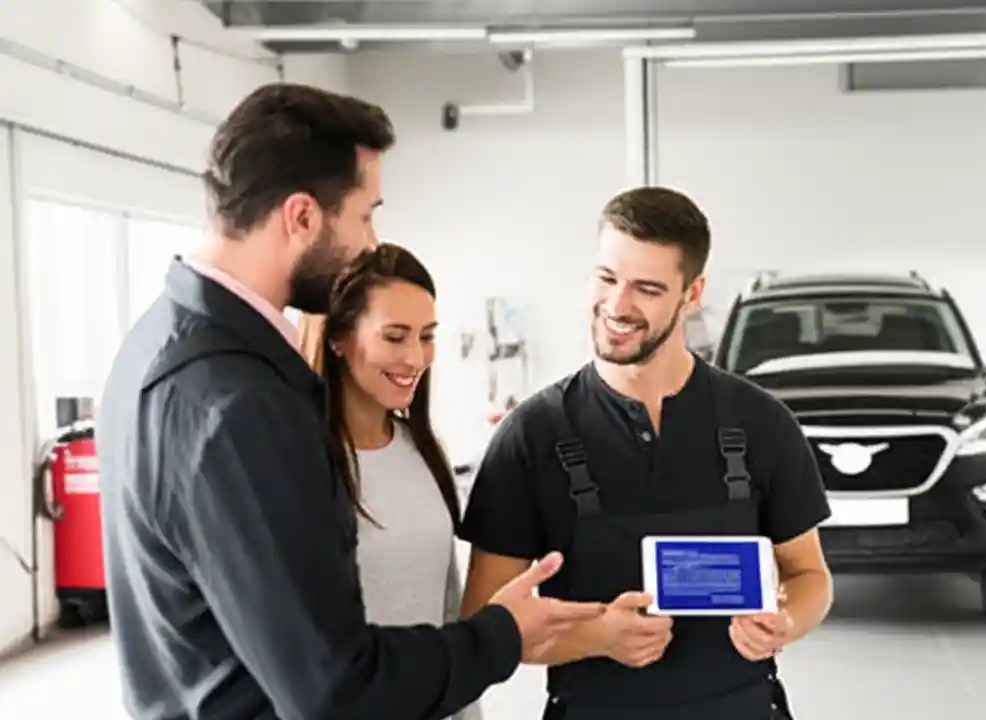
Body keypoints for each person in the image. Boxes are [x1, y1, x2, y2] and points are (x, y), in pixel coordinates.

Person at [96, 83, 603, 720]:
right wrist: (502, 634)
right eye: (365, 215)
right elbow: (334, 689)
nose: (370, 243)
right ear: (302, 217)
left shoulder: (154, 344)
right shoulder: (238, 402)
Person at [458, 186, 835, 719]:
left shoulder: (761, 423)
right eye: (607, 278)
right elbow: (483, 622)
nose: (617, 305)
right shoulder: (531, 436)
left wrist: (785, 621)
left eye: (647, 288)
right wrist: (595, 638)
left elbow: (811, 577)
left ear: (693, 292)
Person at [297, 242, 482, 720]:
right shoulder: (299, 461)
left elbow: (447, 611)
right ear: (338, 337)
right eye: (395, 336)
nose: (416, 357)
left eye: (426, 336)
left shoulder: (422, 449)